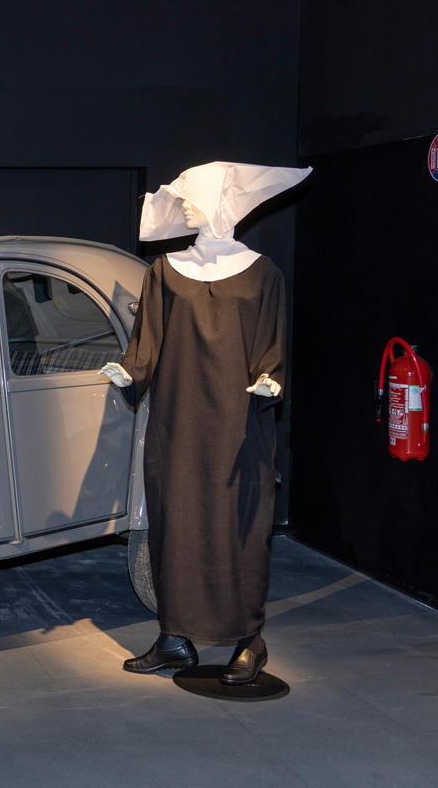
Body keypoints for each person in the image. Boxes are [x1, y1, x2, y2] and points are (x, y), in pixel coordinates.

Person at [100, 161, 310, 685]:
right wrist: (128, 371)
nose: (186, 207)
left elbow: (273, 346)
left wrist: (270, 379)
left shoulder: (264, 273)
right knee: (178, 524)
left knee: (240, 525)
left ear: (222, 202)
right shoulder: (165, 272)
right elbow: (147, 342)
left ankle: (248, 640)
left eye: (195, 198)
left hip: (240, 426)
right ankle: (175, 637)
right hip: (178, 424)